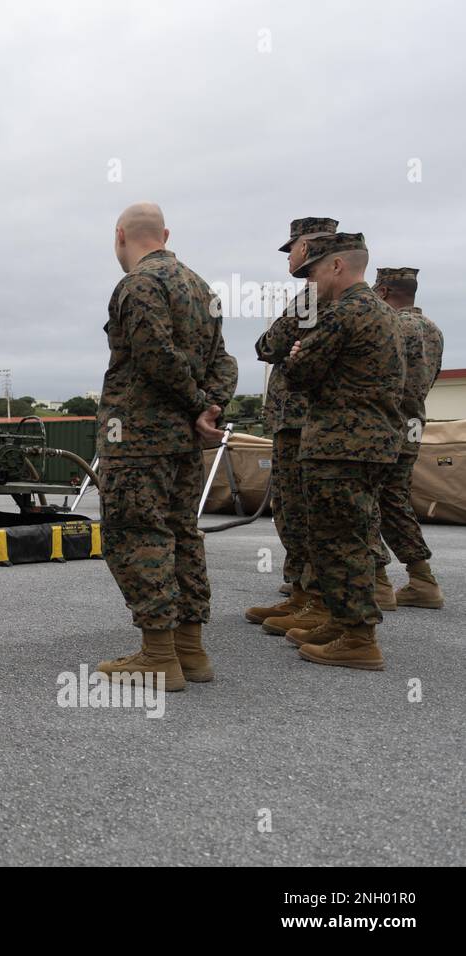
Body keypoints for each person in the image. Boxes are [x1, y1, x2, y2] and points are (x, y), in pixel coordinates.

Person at [95, 202, 238, 691]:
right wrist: (209, 409)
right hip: (182, 443)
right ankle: (190, 651)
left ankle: (158, 655)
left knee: (138, 535)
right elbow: (225, 361)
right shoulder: (201, 287)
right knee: (181, 534)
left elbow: (155, 356)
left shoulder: (138, 285)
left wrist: (199, 404)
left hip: (138, 438)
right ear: (166, 233)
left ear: (120, 236)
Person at [282, 233, 405, 670]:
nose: (310, 282)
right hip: (370, 443)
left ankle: (358, 638)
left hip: (340, 445)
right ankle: (341, 620)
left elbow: (298, 371)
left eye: (313, 272)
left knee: (340, 542)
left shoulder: (344, 313)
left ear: (336, 266)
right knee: (344, 535)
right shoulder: (383, 313)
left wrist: (298, 354)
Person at [246, 217, 337, 634]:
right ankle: (304, 595)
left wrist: (272, 344)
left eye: (294, 247)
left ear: (312, 246)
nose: (290, 255)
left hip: (300, 419)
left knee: (298, 509)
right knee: (298, 508)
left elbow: (270, 343)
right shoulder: (331, 295)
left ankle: (314, 600)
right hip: (304, 418)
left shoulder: (314, 296)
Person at [372, 266, 445, 609]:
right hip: (412, 424)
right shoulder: (434, 330)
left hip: (382, 427)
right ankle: (421, 579)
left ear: (383, 291)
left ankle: (376, 582)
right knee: (394, 501)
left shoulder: (392, 326)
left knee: (365, 500)